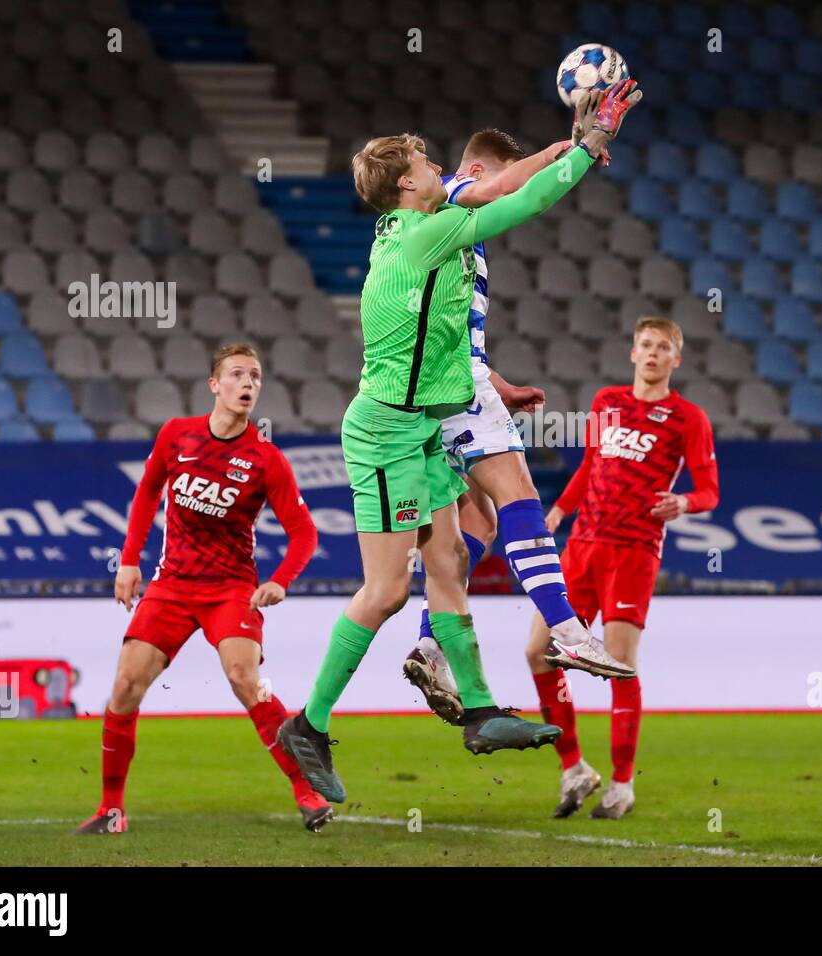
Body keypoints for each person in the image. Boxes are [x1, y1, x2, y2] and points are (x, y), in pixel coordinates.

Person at [278, 82, 643, 805]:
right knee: (387, 591)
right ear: (407, 184)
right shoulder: (426, 233)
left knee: (448, 560)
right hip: (385, 432)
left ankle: (478, 711)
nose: (436, 166)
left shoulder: (411, 222)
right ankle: (308, 726)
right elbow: (520, 201)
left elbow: (497, 183)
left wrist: (569, 144)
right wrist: (589, 147)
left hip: (423, 422)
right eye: (424, 161)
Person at [402, 128, 635, 725]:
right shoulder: (453, 192)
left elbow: (450, 328)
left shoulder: (445, 234)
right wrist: (568, 150)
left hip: (434, 391)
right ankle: (566, 629)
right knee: (520, 495)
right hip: (456, 386)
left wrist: (499, 383)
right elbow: (508, 187)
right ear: (476, 170)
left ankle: (430, 645)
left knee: (474, 526)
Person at [76, 343, 326, 834]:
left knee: (244, 678)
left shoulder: (266, 458)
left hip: (231, 589)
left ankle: (308, 791)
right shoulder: (177, 434)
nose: (248, 383)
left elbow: (304, 532)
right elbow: (148, 492)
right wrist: (129, 560)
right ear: (214, 384)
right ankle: (110, 810)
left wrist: (280, 580)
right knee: (125, 687)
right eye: (237, 374)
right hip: (171, 585)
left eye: (255, 376)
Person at [528, 317, 719, 819]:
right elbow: (590, 466)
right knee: (539, 652)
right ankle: (574, 767)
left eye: (663, 347)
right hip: (581, 546)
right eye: (645, 345)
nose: (653, 353)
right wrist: (558, 511)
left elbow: (709, 490)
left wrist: (684, 502)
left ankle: (621, 785)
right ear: (633, 353)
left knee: (619, 663)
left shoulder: (688, 418)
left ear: (676, 359)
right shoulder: (606, 402)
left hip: (633, 551)